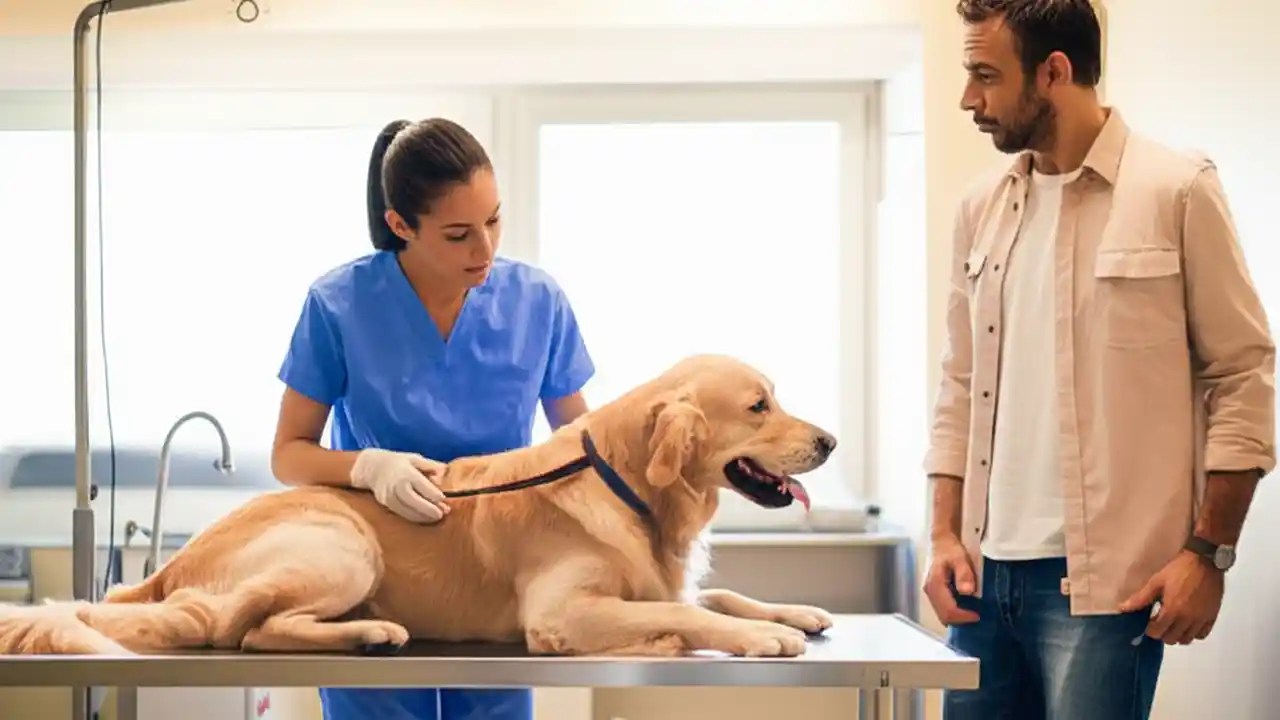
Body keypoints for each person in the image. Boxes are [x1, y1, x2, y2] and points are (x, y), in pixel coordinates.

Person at [923, 1, 1275, 718]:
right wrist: (942, 533)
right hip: (982, 581)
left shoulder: (1175, 188)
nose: (969, 99)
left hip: (1108, 588)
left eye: (985, 76)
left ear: (1053, 72)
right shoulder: (980, 206)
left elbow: (1244, 374)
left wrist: (1210, 555)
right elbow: (958, 382)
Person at [271, 117, 595, 720]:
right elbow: (289, 454)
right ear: (400, 225)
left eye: (494, 219)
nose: (485, 249)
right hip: (376, 574)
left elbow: (583, 448)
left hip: (498, 576)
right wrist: (370, 467)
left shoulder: (536, 302)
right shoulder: (339, 305)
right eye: (458, 234)